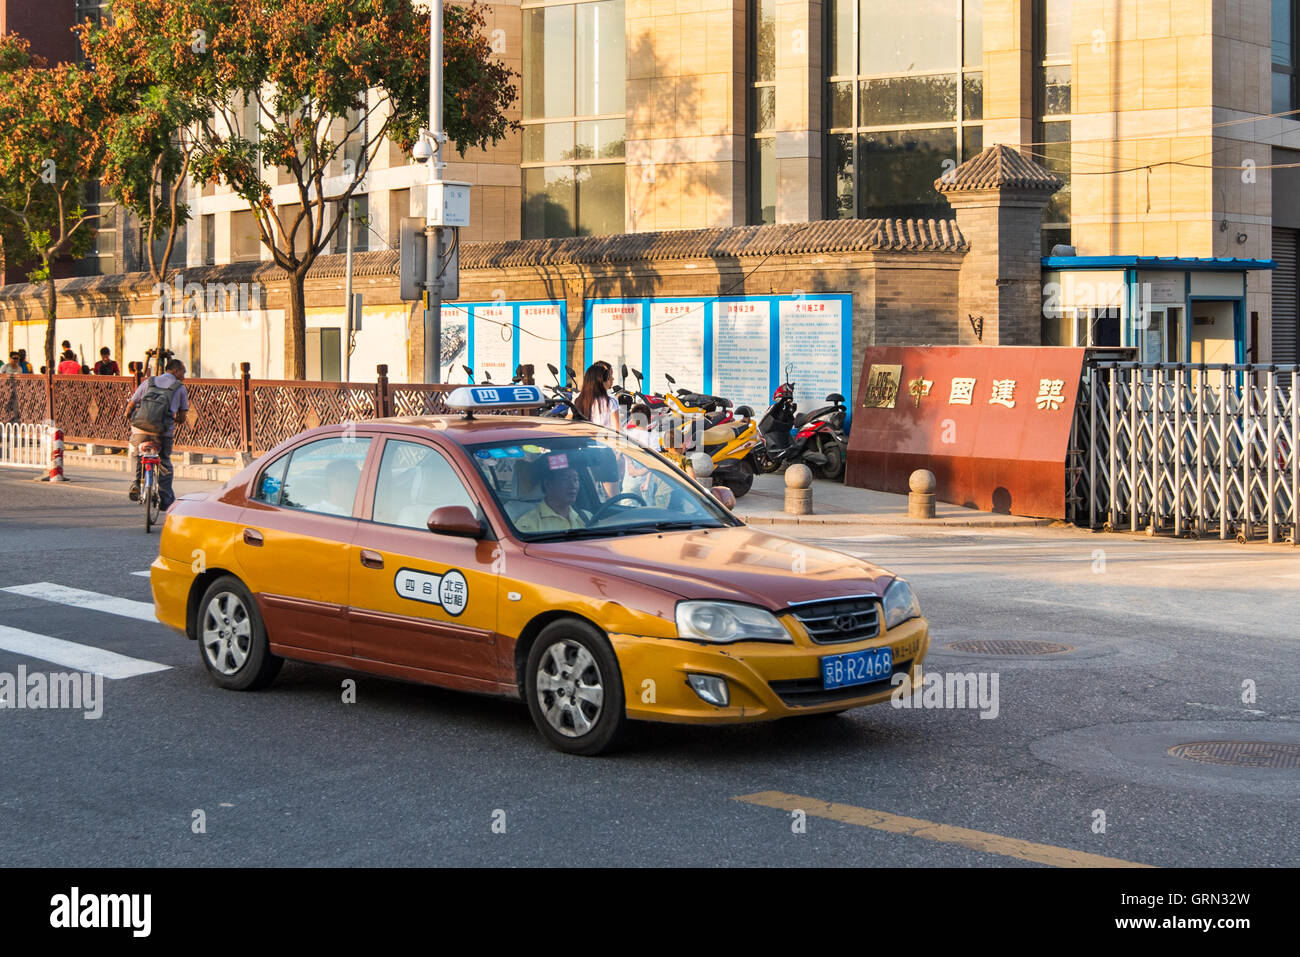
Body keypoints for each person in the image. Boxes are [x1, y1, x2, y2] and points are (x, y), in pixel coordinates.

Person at [124, 359, 190, 508]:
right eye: (183, 372)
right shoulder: (179, 388)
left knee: (136, 453)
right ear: (175, 371)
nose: (184, 376)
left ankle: (136, 482)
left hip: (140, 429)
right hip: (163, 432)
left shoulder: (149, 382)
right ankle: (165, 500)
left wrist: (130, 419)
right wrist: (177, 420)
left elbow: (131, 405)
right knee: (165, 461)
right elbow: (182, 416)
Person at [514, 465, 590, 533]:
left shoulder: (586, 516)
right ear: (548, 484)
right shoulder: (529, 524)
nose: (573, 485)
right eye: (565, 479)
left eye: (576, 480)